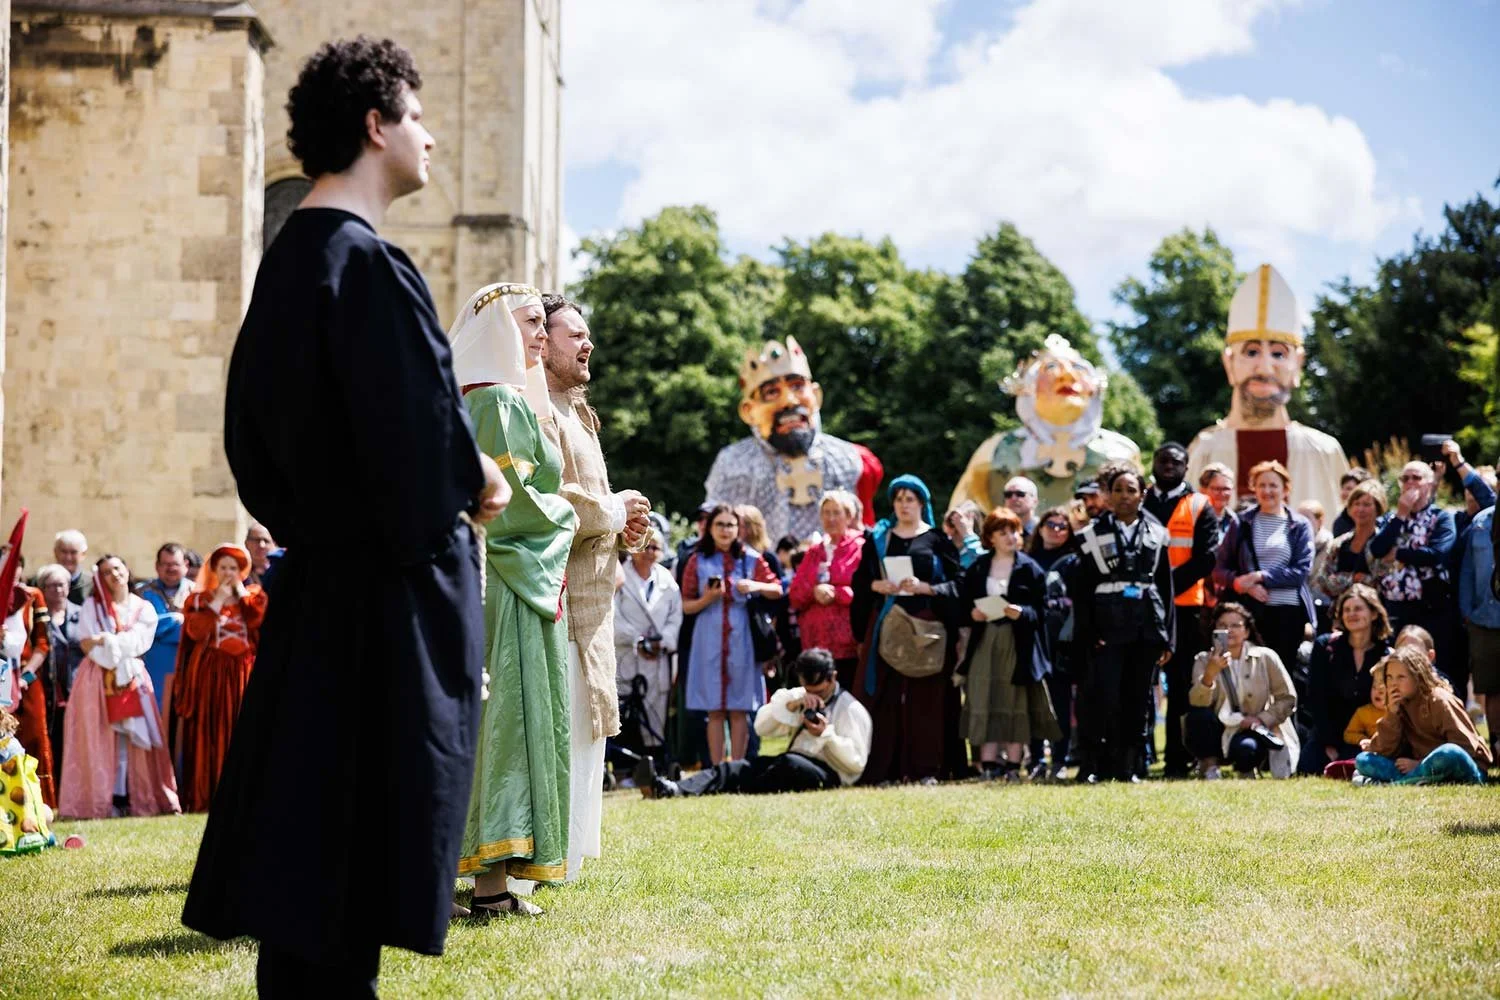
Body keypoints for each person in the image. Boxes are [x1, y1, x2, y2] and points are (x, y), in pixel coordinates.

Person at [182, 39, 508, 992]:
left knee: (308, 904)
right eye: (416, 116)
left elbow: (257, 452)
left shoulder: (286, 267)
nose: (432, 136)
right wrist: (475, 475)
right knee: (341, 903)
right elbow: (415, 456)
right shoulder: (366, 266)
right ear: (375, 124)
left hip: (319, 599)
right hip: (376, 621)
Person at [444, 282, 575, 913]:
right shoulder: (496, 400)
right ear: (495, 326)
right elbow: (515, 505)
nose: (540, 335)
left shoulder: (483, 394)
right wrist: (571, 518)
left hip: (501, 577)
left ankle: (482, 882)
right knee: (507, 729)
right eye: (528, 323)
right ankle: (490, 888)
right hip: (511, 580)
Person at [538, 292, 648, 884]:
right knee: (561, 722)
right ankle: (535, 857)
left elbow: (597, 510)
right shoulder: (538, 409)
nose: (588, 345)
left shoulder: (580, 411)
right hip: (554, 594)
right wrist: (613, 507)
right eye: (573, 334)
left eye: (587, 336)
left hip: (595, 592)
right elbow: (551, 500)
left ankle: (567, 854)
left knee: (585, 724)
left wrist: (626, 526)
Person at [1186, 264, 1349, 518]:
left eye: (1278, 353)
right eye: (1251, 352)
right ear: (1229, 363)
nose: (1264, 366)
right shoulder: (1204, 448)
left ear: (1298, 365)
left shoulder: (1324, 451)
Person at [704, 336, 879, 542]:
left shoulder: (852, 459)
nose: (789, 401)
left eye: (797, 386)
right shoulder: (731, 463)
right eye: (771, 392)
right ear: (749, 410)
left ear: (816, 395)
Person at [852, 475, 965, 784]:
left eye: (910, 499)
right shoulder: (879, 538)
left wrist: (926, 587)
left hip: (926, 624)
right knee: (884, 699)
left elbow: (958, 584)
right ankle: (882, 770)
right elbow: (860, 582)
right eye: (899, 499)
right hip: (887, 622)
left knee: (925, 700)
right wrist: (879, 584)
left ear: (921, 504)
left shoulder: (937, 540)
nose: (904, 505)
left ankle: (926, 770)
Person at [638, 648, 873, 796]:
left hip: (828, 774)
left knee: (786, 764)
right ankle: (673, 788)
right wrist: (791, 704)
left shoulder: (851, 709)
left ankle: (693, 786)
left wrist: (826, 735)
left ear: (833, 678)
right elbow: (762, 728)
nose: (816, 697)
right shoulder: (801, 697)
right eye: (809, 690)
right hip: (789, 763)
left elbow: (856, 764)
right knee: (737, 767)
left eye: (820, 691)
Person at [950, 334, 1142, 512]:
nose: (1067, 375)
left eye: (1078, 368)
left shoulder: (1122, 451)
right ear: (1028, 387)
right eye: (1051, 367)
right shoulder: (994, 452)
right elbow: (959, 516)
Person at [1071, 466, 1175, 783]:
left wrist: (1168, 639)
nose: (1125, 496)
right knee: (1102, 697)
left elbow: (1165, 587)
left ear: (1142, 494)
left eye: (1131, 490)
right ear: (1108, 495)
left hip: (1145, 627)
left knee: (1138, 699)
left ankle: (1129, 767)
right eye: (1118, 490)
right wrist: (1089, 635)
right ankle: (1093, 766)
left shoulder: (1158, 534)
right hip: (1106, 628)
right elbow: (1082, 592)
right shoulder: (1090, 535)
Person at [60, 556, 180, 819]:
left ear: (127, 570)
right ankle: (104, 799)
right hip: (96, 680)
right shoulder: (93, 606)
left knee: (131, 737)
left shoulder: (144, 608)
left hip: (132, 677)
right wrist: (110, 648)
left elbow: (140, 642)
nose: (113, 574)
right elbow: (86, 643)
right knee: (100, 737)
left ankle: (129, 795)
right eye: (106, 571)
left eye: (117, 568)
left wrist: (108, 641)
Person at [956, 507, 1058, 780]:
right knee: (984, 697)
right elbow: (963, 603)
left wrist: (1022, 612)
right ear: (990, 537)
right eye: (1003, 532)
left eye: (1013, 531)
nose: (1010, 537)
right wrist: (972, 614)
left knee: (1015, 702)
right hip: (985, 640)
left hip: (1018, 643)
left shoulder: (1029, 568)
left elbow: (1043, 611)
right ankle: (989, 764)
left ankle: (1014, 765)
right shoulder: (979, 567)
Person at [1143, 441, 1222, 779]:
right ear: (1154, 464)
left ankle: (1177, 759)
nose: (1169, 465)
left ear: (1186, 466)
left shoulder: (1200, 505)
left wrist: (1165, 584)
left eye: (1176, 461)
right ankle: (1139, 758)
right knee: (1140, 684)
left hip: (1185, 610)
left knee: (1179, 688)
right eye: (1163, 460)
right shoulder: (1139, 500)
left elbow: (1207, 558)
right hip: (1141, 607)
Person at [679, 504, 780, 764]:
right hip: (708, 635)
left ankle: (736, 767)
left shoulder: (752, 558)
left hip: (742, 635)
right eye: (719, 524)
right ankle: (716, 767)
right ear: (710, 529)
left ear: (738, 529)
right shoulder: (696, 560)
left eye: (730, 525)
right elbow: (685, 604)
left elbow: (777, 589)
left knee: (739, 708)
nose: (725, 530)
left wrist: (754, 585)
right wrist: (708, 598)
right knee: (714, 709)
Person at [172, 544, 267, 813]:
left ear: (241, 571)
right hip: (211, 673)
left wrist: (240, 597)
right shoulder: (199, 600)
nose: (228, 573)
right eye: (223, 567)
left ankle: (245, 795)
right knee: (210, 728)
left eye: (233, 568)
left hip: (243, 672)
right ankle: (208, 794)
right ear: (214, 570)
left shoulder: (253, 597)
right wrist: (217, 602)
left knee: (241, 726)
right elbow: (195, 631)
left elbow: (259, 624)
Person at [1212, 460, 1316, 680]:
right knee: (1250, 675)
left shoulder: (1299, 525)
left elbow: (1300, 572)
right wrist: (1240, 584)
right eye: (1262, 485)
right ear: (1254, 488)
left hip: (1288, 613)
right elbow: (1220, 569)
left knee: (1282, 676)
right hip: (1251, 615)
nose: (1267, 491)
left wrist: (1260, 577)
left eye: (1273, 485)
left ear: (1285, 489)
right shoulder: (1242, 523)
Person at [1186, 602, 1300, 778]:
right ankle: (1209, 766)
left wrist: (1261, 719)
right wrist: (1210, 674)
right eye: (1222, 626)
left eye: (1235, 625)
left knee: (1247, 750)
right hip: (1217, 727)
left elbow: (1287, 698)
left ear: (1246, 631)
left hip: (1251, 727)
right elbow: (1197, 702)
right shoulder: (1203, 659)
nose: (1229, 630)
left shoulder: (1266, 657)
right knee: (1197, 717)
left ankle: (1246, 768)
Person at [1368, 460, 1457, 684]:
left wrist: (1398, 553)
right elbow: (1377, 549)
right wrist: (1401, 515)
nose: (1410, 483)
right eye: (1405, 478)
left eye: (1416, 478)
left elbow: (1437, 554)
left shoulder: (1441, 517)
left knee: (1434, 666)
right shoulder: (1391, 519)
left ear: (1429, 483)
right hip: (1395, 604)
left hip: (1429, 606)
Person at [1355, 646, 1491, 784]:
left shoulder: (1439, 699)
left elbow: (1464, 747)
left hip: (1465, 768)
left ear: (1418, 677)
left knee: (1449, 752)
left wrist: (1419, 763)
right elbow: (1386, 750)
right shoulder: (1397, 704)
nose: (1394, 683)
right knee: (1363, 760)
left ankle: (1398, 784)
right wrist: (1392, 714)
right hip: (1421, 769)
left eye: (1401, 677)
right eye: (1389, 677)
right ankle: (1416, 780)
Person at [1305, 583, 1394, 767]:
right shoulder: (1325, 647)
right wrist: (1329, 743)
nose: (1351, 614)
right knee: (1309, 766)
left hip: (1366, 735)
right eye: (1346, 609)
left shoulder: (1387, 654)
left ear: (1374, 614)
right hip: (1329, 732)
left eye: (1358, 609)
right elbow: (1316, 697)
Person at [613, 529, 683, 760]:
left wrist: (662, 642)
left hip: (658, 659)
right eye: (645, 546)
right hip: (627, 657)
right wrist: (637, 639)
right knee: (626, 712)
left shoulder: (667, 581)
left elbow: (675, 617)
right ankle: (626, 766)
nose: (650, 552)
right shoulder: (620, 577)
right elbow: (611, 615)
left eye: (655, 548)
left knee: (656, 712)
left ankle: (654, 764)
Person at [788, 491, 866, 690]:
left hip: (848, 642)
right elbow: (795, 595)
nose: (830, 518)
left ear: (848, 516)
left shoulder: (860, 547)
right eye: (826, 513)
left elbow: (867, 590)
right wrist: (814, 592)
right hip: (816, 641)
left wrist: (837, 593)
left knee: (847, 695)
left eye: (836, 513)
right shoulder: (814, 551)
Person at [1026, 506, 1079, 779]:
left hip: (1062, 641)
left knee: (1059, 701)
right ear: (1040, 527)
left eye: (1062, 526)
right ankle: (1035, 759)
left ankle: (1059, 759)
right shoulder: (1026, 558)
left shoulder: (1074, 560)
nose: (1056, 530)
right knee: (1034, 700)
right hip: (1033, 638)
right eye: (1051, 525)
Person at [4, 569, 54, 808]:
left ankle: (39, 802)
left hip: (26, 679)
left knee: (34, 735)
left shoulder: (33, 596)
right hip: (1, 677)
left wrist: (25, 676)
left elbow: (42, 644)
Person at [1458, 499, 1500, 765]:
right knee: (1491, 687)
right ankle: (1496, 748)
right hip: (1484, 617)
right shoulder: (1482, 521)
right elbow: (1468, 570)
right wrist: (1468, 611)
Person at [35, 563, 82, 794]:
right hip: (48, 689)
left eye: (61, 584)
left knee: (76, 742)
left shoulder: (81, 614)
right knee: (51, 741)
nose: (57, 590)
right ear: (42, 588)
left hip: (77, 688)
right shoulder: (38, 617)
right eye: (51, 585)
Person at [136, 543, 192, 716]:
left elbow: (197, 628)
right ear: (157, 566)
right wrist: (177, 621)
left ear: (186, 565)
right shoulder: (142, 593)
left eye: (175, 564)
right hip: (153, 668)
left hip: (187, 666)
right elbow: (144, 627)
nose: (170, 569)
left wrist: (162, 628)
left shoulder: (198, 593)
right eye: (165, 564)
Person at [1312, 480, 1385, 604]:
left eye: (1367, 504)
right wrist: (1353, 579)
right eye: (1356, 504)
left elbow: (1381, 581)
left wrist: (1340, 579)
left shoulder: (1382, 543)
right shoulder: (1338, 544)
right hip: (1340, 611)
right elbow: (1322, 580)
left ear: (1378, 509)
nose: (1360, 509)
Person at [52, 530, 92, 606]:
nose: (68, 557)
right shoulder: (40, 582)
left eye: (73, 552)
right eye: (64, 552)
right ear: (55, 552)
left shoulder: (92, 585)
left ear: (83, 554)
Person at [1330, 468, 1373, 537]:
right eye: (1342, 488)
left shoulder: (1375, 517)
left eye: (1349, 489)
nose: (1343, 493)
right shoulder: (1339, 523)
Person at [1200, 463, 1236, 535]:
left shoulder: (1236, 521)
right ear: (1203, 490)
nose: (1222, 494)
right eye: (1216, 489)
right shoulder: (1194, 519)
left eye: (1226, 489)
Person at [243, 523, 276, 587]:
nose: (261, 545)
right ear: (246, 543)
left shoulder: (279, 571)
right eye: (257, 540)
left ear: (274, 544)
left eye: (266, 541)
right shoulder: (237, 571)